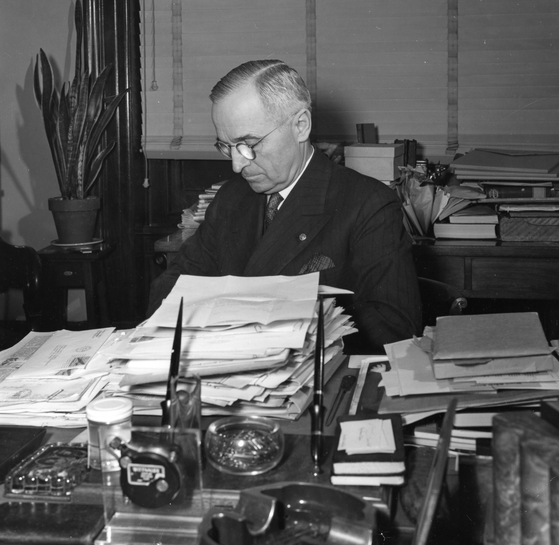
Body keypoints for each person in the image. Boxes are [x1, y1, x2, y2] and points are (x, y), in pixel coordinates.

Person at [147, 59, 421, 352]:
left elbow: (394, 327)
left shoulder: (368, 204)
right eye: (226, 146)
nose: (237, 165)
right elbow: (172, 288)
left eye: (249, 144)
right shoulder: (231, 199)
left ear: (301, 126)